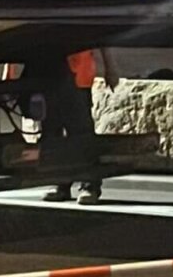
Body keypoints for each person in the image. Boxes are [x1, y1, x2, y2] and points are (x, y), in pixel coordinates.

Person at [43, 49, 119, 206]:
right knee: (53, 129)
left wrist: (110, 67)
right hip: (52, 73)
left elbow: (100, 36)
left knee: (80, 130)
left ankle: (89, 184)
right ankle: (61, 182)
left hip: (78, 75)